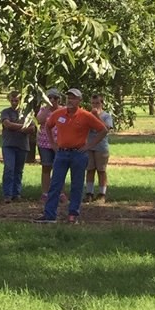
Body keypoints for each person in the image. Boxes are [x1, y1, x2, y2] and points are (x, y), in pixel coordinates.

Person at [36, 88, 109, 224]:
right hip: (61, 153)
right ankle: (50, 215)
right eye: (68, 97)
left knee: (77, 185)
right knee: (55, 184)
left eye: (73, 98)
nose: (70, 100)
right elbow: (48, 126)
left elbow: (103, 130)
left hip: (78, 154)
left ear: (79, 100)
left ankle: (73, 215)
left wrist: (89, 145)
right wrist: (53, 143)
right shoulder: (58, 113)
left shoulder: (85, 115)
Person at [84, 93, 114, 201]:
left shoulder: (106, 116)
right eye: (93, 103)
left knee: (101, 170)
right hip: (89, 146)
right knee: (90, 169)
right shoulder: (87, 115)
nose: (95, 105)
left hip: (101, 147)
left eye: (97, 103)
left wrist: (96, 117)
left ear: (102, 103)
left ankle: (102, 194)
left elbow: (106, 129)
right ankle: (89, 193)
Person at [0, 90, 28, 202]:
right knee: (9, 169)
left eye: (16, 100)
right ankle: (7, 194)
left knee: (18, 171)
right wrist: (23, 127)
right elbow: (7, 124)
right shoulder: (5, 112)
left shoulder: (26, 113)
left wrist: (15, 126)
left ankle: (16, 194)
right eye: (12, 100)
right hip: (8, 145)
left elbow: (32, 128)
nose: (14, 103)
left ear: (21, 101)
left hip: (22, 145)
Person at [35, 88, 61, 199]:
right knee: (46, 167)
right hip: (44, 144)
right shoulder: (43, 110)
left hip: (59, 144)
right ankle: (45, 193)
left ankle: (59, 192)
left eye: (55, 98)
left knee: (59, 169)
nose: (52, 100)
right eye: (49, 98)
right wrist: (47, 108)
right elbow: (39, 120)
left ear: (59, 99)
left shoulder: (63, 110)